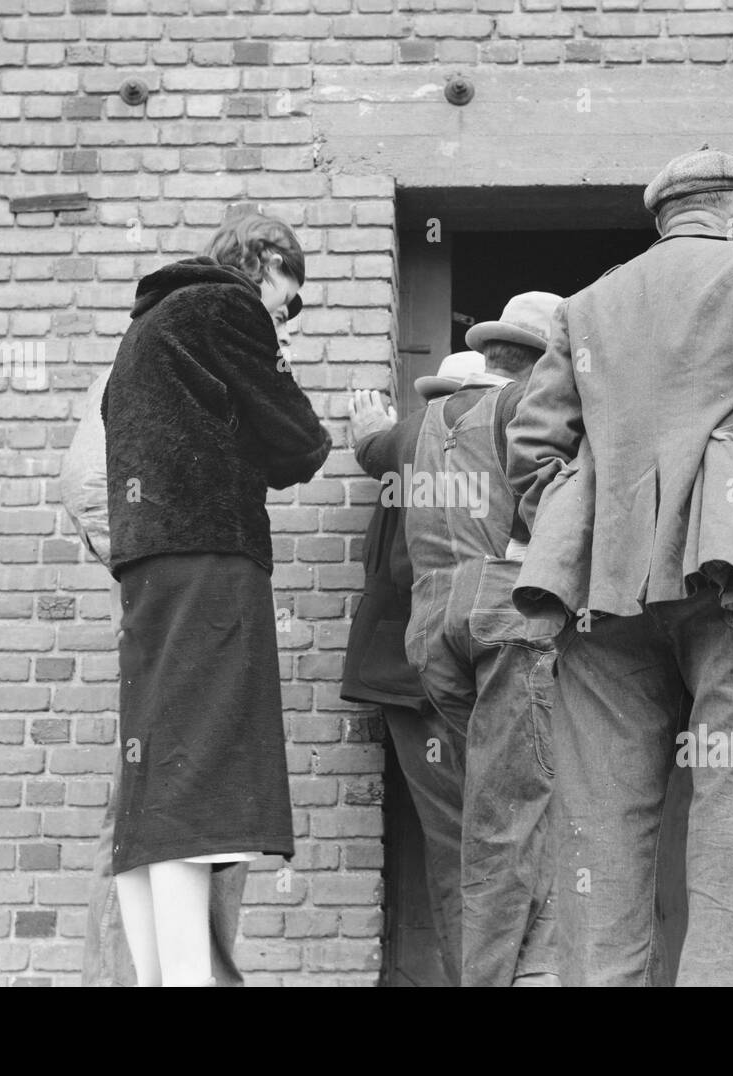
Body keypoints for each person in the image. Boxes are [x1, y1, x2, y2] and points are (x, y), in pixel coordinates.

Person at [507, 150, 733, 986]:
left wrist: (584, 530)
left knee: (600, 827)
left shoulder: (585, 306)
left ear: (666, 219)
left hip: (604, 597)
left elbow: (530, 446)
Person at [101, 210, 331, 986]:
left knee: (155, 782)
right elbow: (301, 445)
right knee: (204, 772)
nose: (283, 317)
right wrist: (277, 364)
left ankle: (163, 978)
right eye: (286, 301)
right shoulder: (226, 306)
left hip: (148, 567)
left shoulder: (150, 326)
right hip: (210, 557)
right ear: (260, 262)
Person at [61, 302, 298, 987]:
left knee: (202, 832)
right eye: (279, 305)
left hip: (199, 638)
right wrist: (161, 579)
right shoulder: (148, 368)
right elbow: (84, 484)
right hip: (170, 641)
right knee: (151, 824)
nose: (286, 325)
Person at [397, 292, 565, 987]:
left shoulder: (427, 420)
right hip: (505, 615)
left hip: (432, 629)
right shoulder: (526, 405)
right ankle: (517, 975)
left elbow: (367, 441)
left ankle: (536, 970)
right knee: (515, 812)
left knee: (502, 806)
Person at [342, 350, 485, 986]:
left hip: (411, 676)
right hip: (453, 675)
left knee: (455, 845)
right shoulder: (487, 438)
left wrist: (374, 427)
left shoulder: (407, 443)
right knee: (484, 844)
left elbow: (372, 440)